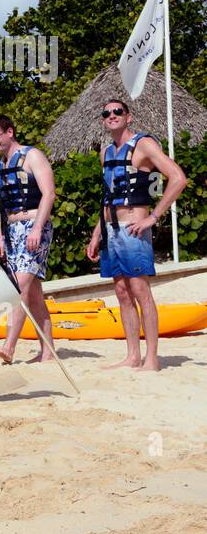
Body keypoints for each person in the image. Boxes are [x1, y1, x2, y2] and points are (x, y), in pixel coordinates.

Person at [85, 99, 187, 371]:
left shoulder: (143, 145)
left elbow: (178, 178)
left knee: (140, 290)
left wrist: (153, 218)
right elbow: (108, 197)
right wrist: (97, 234)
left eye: (118, 111)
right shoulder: (106, 152)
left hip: (133, 226)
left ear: (128, 117)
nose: (112, 116)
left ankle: (151, 358)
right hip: (110, 230)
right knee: (121, 292)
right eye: (106, 113)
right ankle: (132, 355)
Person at [0, 114, 57, 364]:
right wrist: (1, 237)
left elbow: (49, 194)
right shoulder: (1, 165)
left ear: (10, 132)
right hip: (13, 231)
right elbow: (4, 206)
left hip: (35, 224)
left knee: (19, 287)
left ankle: (9, 347)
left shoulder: (32, 156)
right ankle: (48, 351)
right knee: (34, 294)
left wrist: (37, 228)